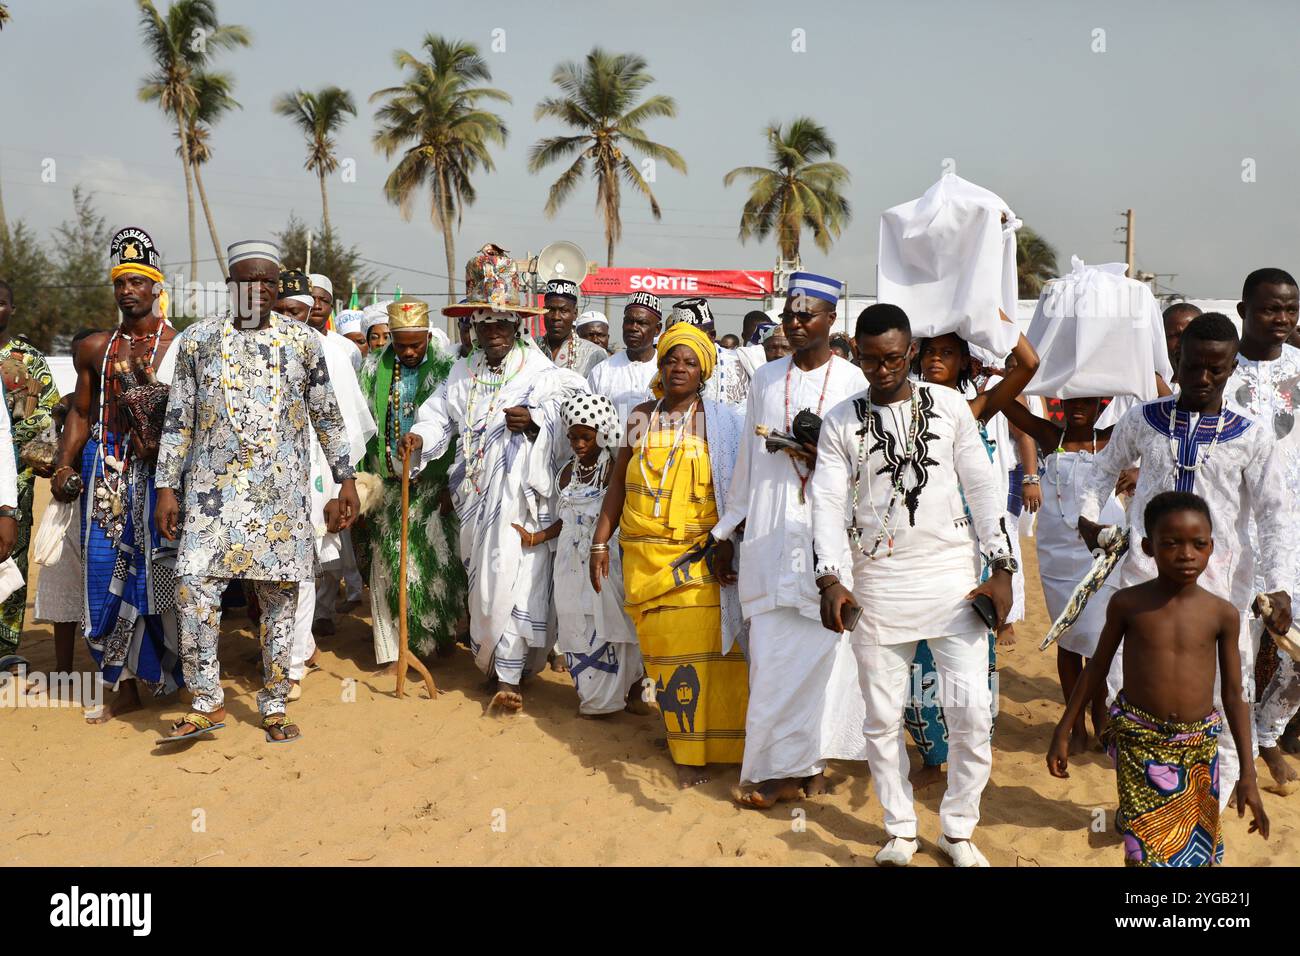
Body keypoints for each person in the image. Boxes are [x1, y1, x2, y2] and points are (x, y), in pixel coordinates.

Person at [813, 304, 1015, 867]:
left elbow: (983, 489)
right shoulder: (840, 421)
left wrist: (1001, 569)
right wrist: (830, 577)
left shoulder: (950, 406)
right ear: (855, 353)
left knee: (972, 711)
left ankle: (958, 830)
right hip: (876, 585)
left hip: (953, 581)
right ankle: (899, 829)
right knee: (881, 718)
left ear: (911, 353)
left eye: (894, 359)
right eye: (871, 359)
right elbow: (826, 505)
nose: (883, 371)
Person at [1076, 312, 1293, 809]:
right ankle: (1149, 797)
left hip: (1220, 587)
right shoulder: (1142, 420)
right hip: (1143, 577)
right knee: (1122, 691)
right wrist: (1089, 519)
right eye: (1193, 366)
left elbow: (1275, 514)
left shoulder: (1251, 435)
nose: (1203, 378)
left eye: (1215, 370)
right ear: (1177, 360)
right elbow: (1099, 470)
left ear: (1232, 368)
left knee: (1225, 692)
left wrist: (1278, 582)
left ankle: (1206, 811)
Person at [155, 238, 359, 744]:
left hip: (279, 498)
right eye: (247, 280)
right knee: (193, 587)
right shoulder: (198, 341)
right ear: (232, 286)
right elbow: (178, 421)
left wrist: (345, 477)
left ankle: (272, 703)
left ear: (277, 285)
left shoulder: (303, 342)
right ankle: (206, 701)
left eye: (267, 280)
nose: (258, 289)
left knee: (279, 600)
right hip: (209, 496)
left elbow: (327, 415)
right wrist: (166, 486)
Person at [399, 245, 587, 713]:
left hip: (520, 502)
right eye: (485, 325)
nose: (494, 333)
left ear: (518, 325)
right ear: (474, 328)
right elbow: (439, 416)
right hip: (474, 500)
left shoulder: (542, 372)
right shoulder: (464, 371)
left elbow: (573, 415)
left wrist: (537, 421)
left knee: (512, 578)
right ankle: (500, 665)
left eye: (503, 324)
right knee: (483, 586)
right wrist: (419, 440)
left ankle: (508, 676)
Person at [712, 272, 868, 808]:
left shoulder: (854, 381)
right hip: (772, 532)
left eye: (807, 315)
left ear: (831, 320)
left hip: (829, 532)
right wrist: (727, 529)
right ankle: (780, 768)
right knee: (775, 655)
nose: (796, 324)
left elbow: (868, 465)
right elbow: (746, 469)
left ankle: (812, 764)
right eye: (790, 314)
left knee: (827, 653)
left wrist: (819, 452)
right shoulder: (764, 379)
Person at [1048, 491, 1269, 866]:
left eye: (1198, 544)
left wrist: (1249, 771)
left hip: (1198, 750)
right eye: (1171, 544)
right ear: (1149, 547)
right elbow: (1097, 668)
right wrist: (1064, 728)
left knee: (1195, 851)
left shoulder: (1222, 614)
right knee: (1142, 853)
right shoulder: (1128, 604)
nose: (1186, 554)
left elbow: (1233, 694)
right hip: (1140, 743)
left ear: (1211, 547)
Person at [590, 321, 747, 788]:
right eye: (672, 360)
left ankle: (698, 753)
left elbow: (737, 491)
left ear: (705, 371)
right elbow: (618, 483)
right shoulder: (640, 415)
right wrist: (600, 540)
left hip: (699, 557)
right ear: (660, 366)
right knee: (662, 659)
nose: (679, 368)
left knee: (697, 657)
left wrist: (728, 543)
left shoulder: (723, 421)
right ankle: (682, 737)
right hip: (641, 556)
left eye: (690, 362)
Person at [49, 227, 182, 721]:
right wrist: (65, 464)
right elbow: (81, 414)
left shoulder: (179, 347)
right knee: (104, 576)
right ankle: (121, 683)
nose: (128, 290)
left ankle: (167, 674)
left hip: (162, 478)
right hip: (105, 475)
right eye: (120, 282)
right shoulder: (96, 348)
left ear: (155, 287)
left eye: (137, 281)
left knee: (159, 576)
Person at [904, 326, 1040, 789]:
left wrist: (994, 314)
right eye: (929, 352)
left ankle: (969, 752)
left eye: (947, 354)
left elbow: (1029, 366)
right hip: (913, 554)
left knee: (966, 658)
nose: (935, 360)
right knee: (918, 660)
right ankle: (929, 757)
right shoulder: (898, 410)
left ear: (965, 363)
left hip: (967, 554)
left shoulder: (973, 410)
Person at [274, 270, 374, 698]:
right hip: (268, 478)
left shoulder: (332, 354)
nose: (293, 319)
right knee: (275, 572)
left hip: (315, 474)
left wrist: (340, 487)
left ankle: (292, 664)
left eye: (300, 310)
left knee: (302, 569)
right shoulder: (256, 350)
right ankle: (301, 648)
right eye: (283, 311)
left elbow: (348, 426)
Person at [1004, 395, 1122, 751]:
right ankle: (1077, 728)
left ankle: (1101, 716)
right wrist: (1002, 368)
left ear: (1102, 403)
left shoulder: (1114, 437)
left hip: (1100, 543)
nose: (1078, 407)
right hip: (1057, 548)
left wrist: (1149, 368)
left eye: (1087, 400)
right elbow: (1009, 405)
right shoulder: (1049, 435)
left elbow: (1164, 403)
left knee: (1100, 637)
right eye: (1071, 399)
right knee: (1067, 634)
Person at [355, 298, 466, 667]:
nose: (408, 351)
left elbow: (457, 429)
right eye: (401, 345)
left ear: (427, 335)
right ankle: (395, 648)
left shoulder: (449, 368)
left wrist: (453, 484)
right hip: (388, 488)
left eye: (416, 344)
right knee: (390, 567)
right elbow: (361, 426)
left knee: (435, 566)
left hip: (433, 489)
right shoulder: (373, 369)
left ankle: (436, 641)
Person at [1224, 268, 1300, 789]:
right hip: (1236, 532)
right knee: (1240, 654)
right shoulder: (1218, 372)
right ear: (1243, 310)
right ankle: (1243, 756)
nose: (1282, 319)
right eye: (1270, 308)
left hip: (1295, 529)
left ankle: (1268, 731)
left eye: (1291, 309)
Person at [551, 393, 646, 716]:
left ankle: (622, 695)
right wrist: (536, 536)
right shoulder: (566, 472)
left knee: (613, 625)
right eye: (573, 437)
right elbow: (561, 519)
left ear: (602, 433)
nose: (578, 444)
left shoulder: (614, 470)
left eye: (586, 437)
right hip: (568, 562)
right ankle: (593, 698)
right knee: (574, 620)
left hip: (606, 560)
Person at [0, 279, 58, 659]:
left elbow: (49, 411)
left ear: (12, 309)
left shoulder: (27, 358)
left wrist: (13, 438)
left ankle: (5, 646)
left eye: (2, 302)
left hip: (13, 476)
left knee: (11, 559)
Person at [587, 292, 663, 426]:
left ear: (657, 329)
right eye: (628, 321)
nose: (633, 328)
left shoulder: (666, 369)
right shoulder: (602, 371)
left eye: (642, 323)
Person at [667, 297, 749, 406]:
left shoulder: (741, 363)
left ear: (712, 336)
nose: (688, 345)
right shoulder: (668, 368)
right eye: (681, 338)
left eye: (695, 339)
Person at [539, 279, 607, 376]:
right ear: (543, 312)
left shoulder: (594, 353)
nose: (556, 317)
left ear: (574, 313)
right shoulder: (530, 348)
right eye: (550, 310)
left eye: (563, 311)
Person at [309, 273, 362, 371]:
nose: (317, 306)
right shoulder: (291, 342)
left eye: (323, 300)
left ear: (331, 308)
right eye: (311, 299)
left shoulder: (348, 348)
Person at [1162, 302, 1201, 382]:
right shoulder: (1146, 386)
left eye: (1192, 335)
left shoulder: (1224, 387)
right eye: (1174, 336)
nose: (1184, 343)